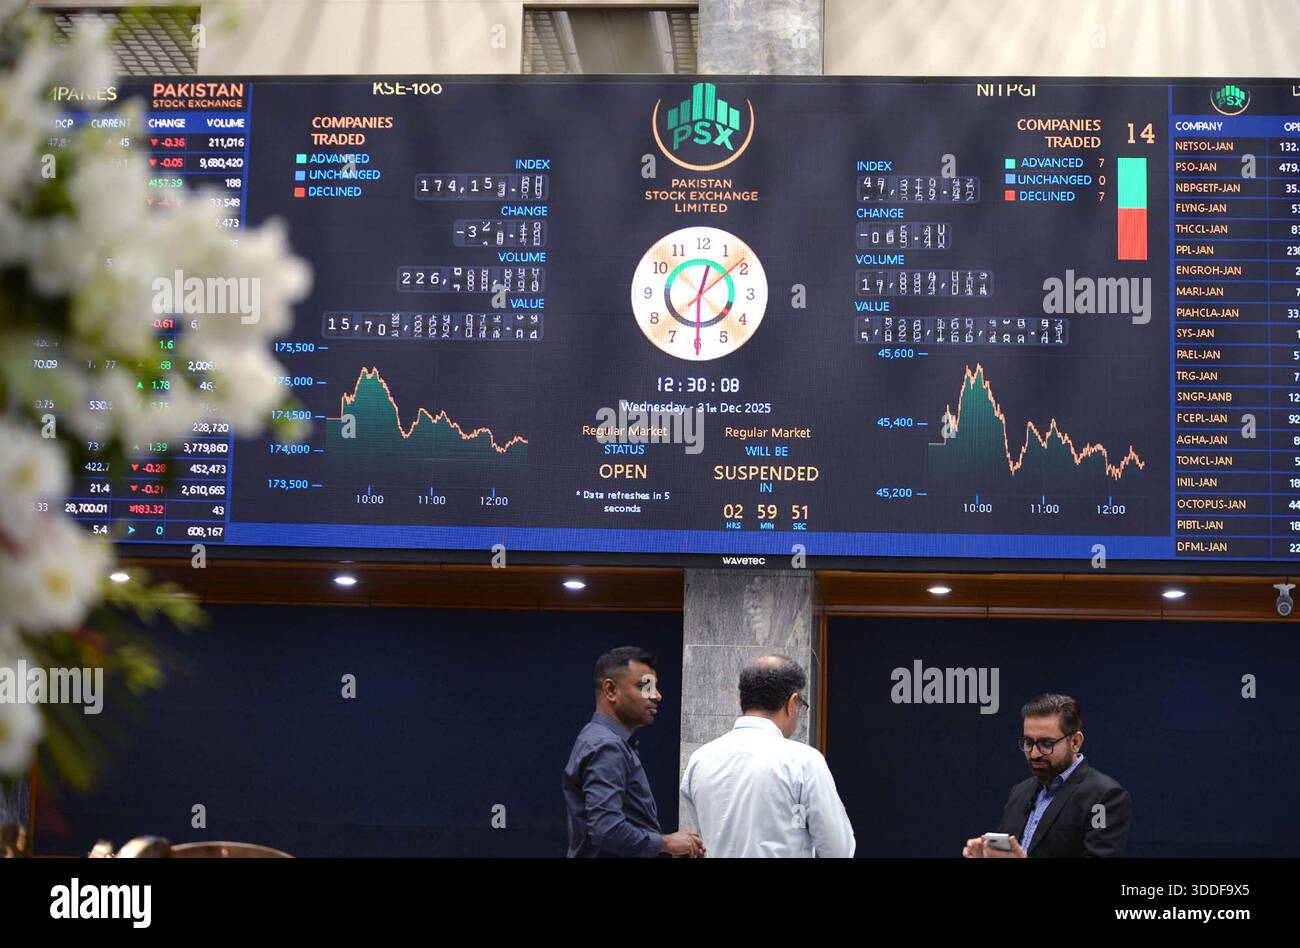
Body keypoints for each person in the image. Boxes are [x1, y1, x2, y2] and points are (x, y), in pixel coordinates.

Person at [680, 655, 855, 857]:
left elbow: (701, 840)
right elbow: (837, 849)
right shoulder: (804, 762)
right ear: (792, 702)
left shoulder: (700, 760)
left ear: (741, 700)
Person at [562, 646, 703, 858]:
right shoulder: (606, 745)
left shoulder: (602, 739)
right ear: (610, 690)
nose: (657, 696)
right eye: (645, 686)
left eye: (654, 686)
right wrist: (666, 843)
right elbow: (607, 830)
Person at [962, 693, 1131, 858]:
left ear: (1075, 742)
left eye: (1046, 744)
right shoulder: (1020, 792)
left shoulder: (1104, 797)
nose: (1034, 753)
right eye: (1028, 742)